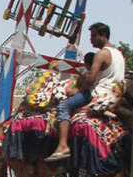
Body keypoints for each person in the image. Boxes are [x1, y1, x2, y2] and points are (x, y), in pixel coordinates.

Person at [47, 23, 125, 162]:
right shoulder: (119, 54)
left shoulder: (101, 54)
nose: (91, 39)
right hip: (114, 95)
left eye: (93, 36)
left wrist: (79, 92)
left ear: (103, 36)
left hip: (99, 93)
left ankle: (63, 145)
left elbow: (91, 79)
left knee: (63, 107)